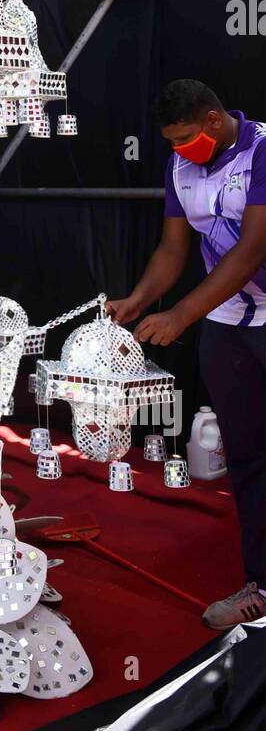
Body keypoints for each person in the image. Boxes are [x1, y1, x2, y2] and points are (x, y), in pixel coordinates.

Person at [107, 79, 265, 629]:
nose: (179, 150)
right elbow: (174, 249)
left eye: (186, 138)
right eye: (171, 141)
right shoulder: (181, 167)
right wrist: (141, 300)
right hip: (227, 327)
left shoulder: (264, 150)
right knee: (247, 457)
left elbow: (251, 250)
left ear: (215, 121)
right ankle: (261, 586)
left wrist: (179, 316)